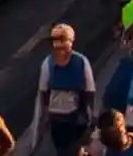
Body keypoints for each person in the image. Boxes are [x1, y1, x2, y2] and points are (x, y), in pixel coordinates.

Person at [32, 23, 96, 155]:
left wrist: (90, 115)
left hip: (74, 117)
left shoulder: (80, 62)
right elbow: (44, 93)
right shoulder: (49, 63)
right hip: (59, 118)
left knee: (71, 149)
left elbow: (89, 92)